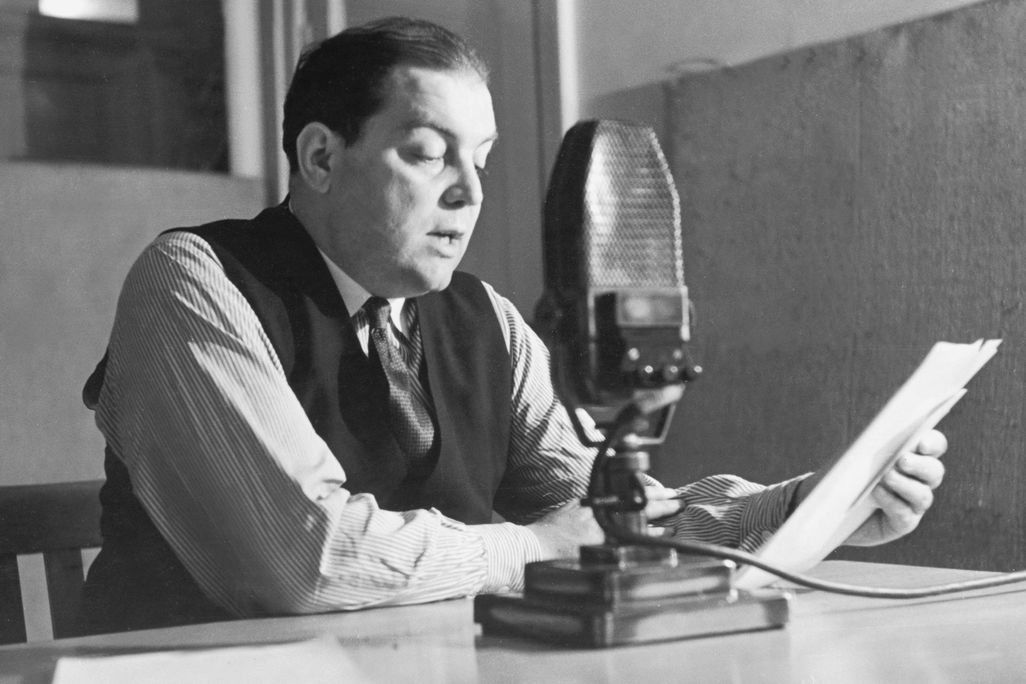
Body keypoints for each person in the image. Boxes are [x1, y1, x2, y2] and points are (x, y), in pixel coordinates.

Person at [79, 16, 946, 635]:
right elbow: (305, 562)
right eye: (428, 153)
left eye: (482, 159)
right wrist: (532, 549)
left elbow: (608, 513)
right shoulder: (195, 282)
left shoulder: (483, 318)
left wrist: (811, 506)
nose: (470, 192)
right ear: (319, 156)